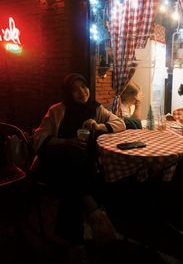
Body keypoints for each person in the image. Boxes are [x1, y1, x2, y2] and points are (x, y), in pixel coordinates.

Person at [32, 73, 126, 262]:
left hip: (81, 169)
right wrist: (66, 142)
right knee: (73, 159)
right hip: (54, 165)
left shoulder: (95, 108)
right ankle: (95, 213)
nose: (81, 92)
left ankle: (76, 244)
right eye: (75, 90)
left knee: (72, 189)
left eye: (83, 87)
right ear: (67, 93)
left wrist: (98, 126)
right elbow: (39, 138)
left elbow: (120, 123)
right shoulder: (57, 110)